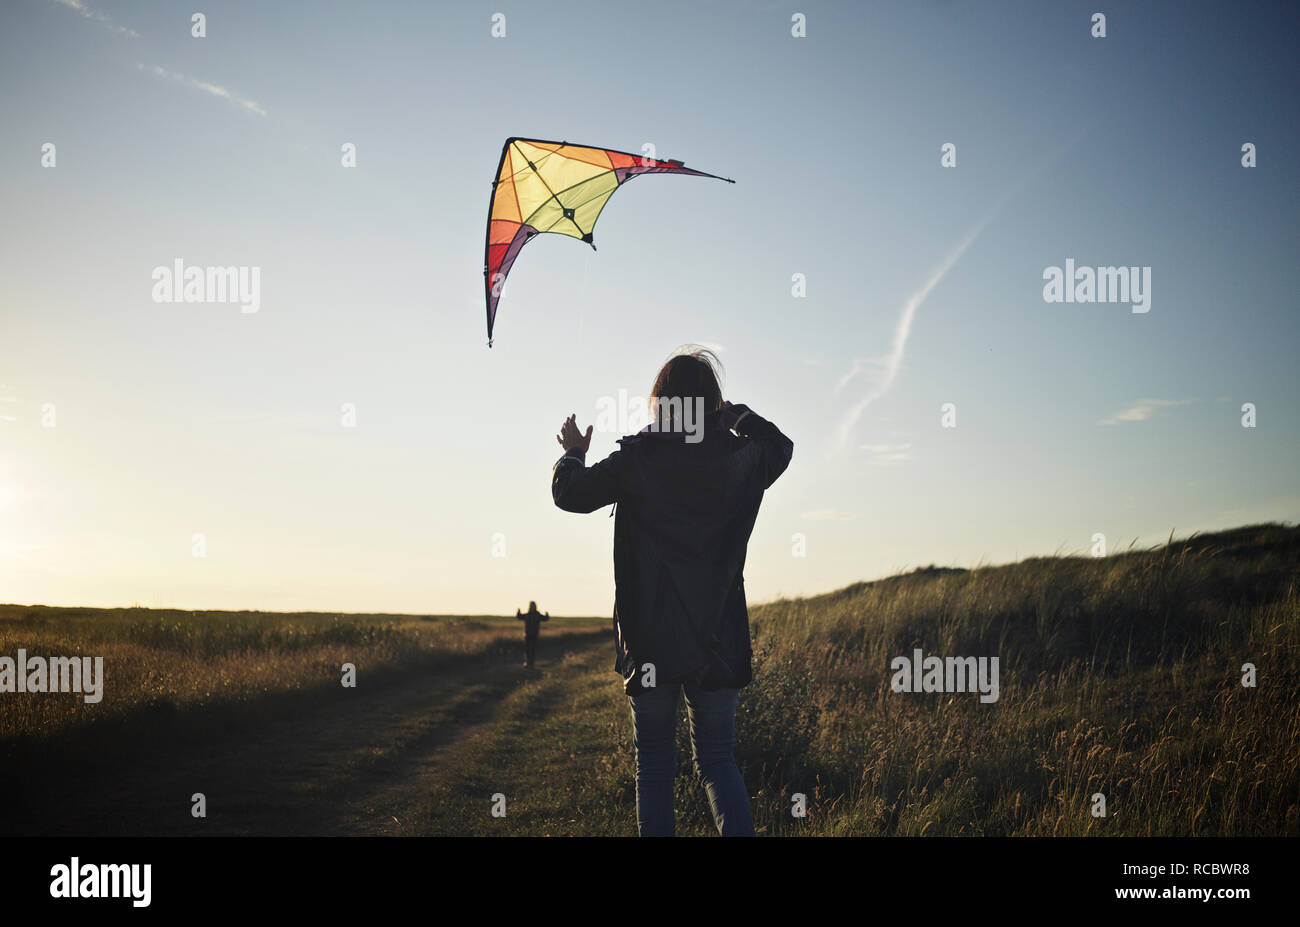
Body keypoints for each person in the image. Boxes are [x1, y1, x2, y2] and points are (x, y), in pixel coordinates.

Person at [551, 346, 793, 837]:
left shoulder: (638, 459)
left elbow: (570, 493)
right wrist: (738, 416)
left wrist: (574, 452)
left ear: (660, 405)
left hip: (651, 639)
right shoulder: (742, 460)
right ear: (713, 405)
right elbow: (781, 446)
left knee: (656, 767)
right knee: (718, 762)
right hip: (718, 640)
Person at [516, 600, 549, 668]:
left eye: (533, 606)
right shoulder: (528, 615)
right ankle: (528, 663)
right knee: (528, 649)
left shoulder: (536, 615)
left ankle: (531, 663)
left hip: (534, 635)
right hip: (528, 634)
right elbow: (519, 617)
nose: (532, 607)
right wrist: (518, 612)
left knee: (532, 650)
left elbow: (545, 619)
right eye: (531, 606)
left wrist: (547, 615)